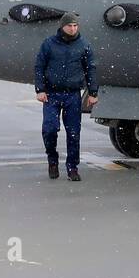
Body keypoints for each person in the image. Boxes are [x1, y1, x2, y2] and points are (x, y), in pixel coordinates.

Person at [34, 13, 98, 182]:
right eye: (70, 26)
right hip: (52, 94)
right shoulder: (49, 44)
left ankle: (72, 167)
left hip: (72, 95)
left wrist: (93, 93)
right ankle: (52, 160)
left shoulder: (83, 45)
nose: (73, 28)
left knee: (74, 133)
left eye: (75, 26)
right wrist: (40, 89)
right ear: (62, 26)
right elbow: (39, 66)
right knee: (49, 129)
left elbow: (90, 69)